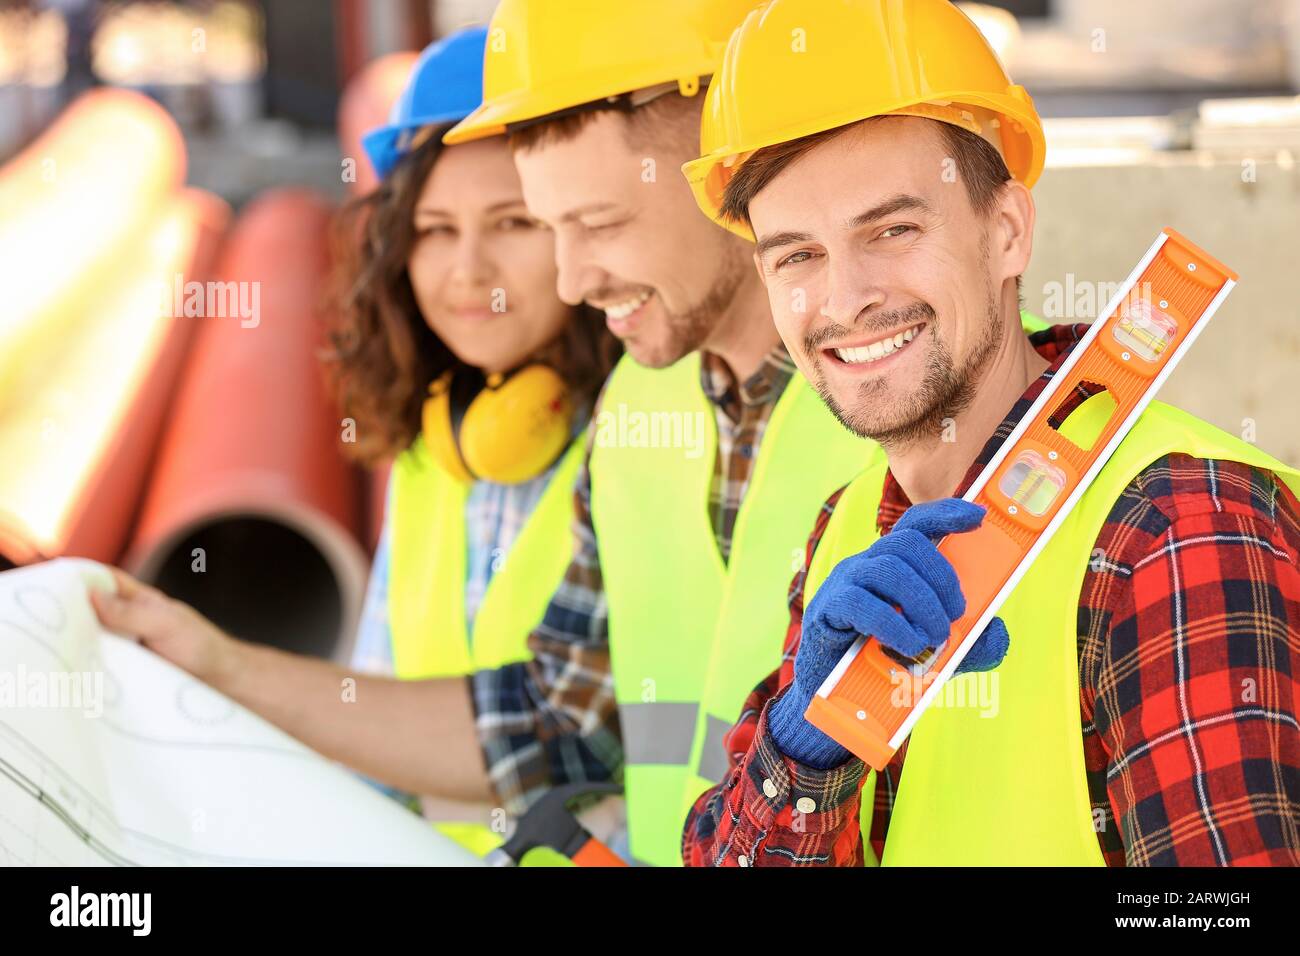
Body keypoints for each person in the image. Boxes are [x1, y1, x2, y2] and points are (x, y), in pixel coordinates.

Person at [680, 0, 1300, 866]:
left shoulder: (1173, 523)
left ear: (1006, 232)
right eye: (798, 255)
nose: (846, 297)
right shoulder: (848, 529)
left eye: (893, 229)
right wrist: (803, 748)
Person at [89, 26, 619, 856]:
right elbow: (366, 714)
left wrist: (229, 667)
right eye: (436, 230)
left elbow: (565, 734)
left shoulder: (647, 438)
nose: (465, 271)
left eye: (512, 223)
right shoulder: (432, 446)